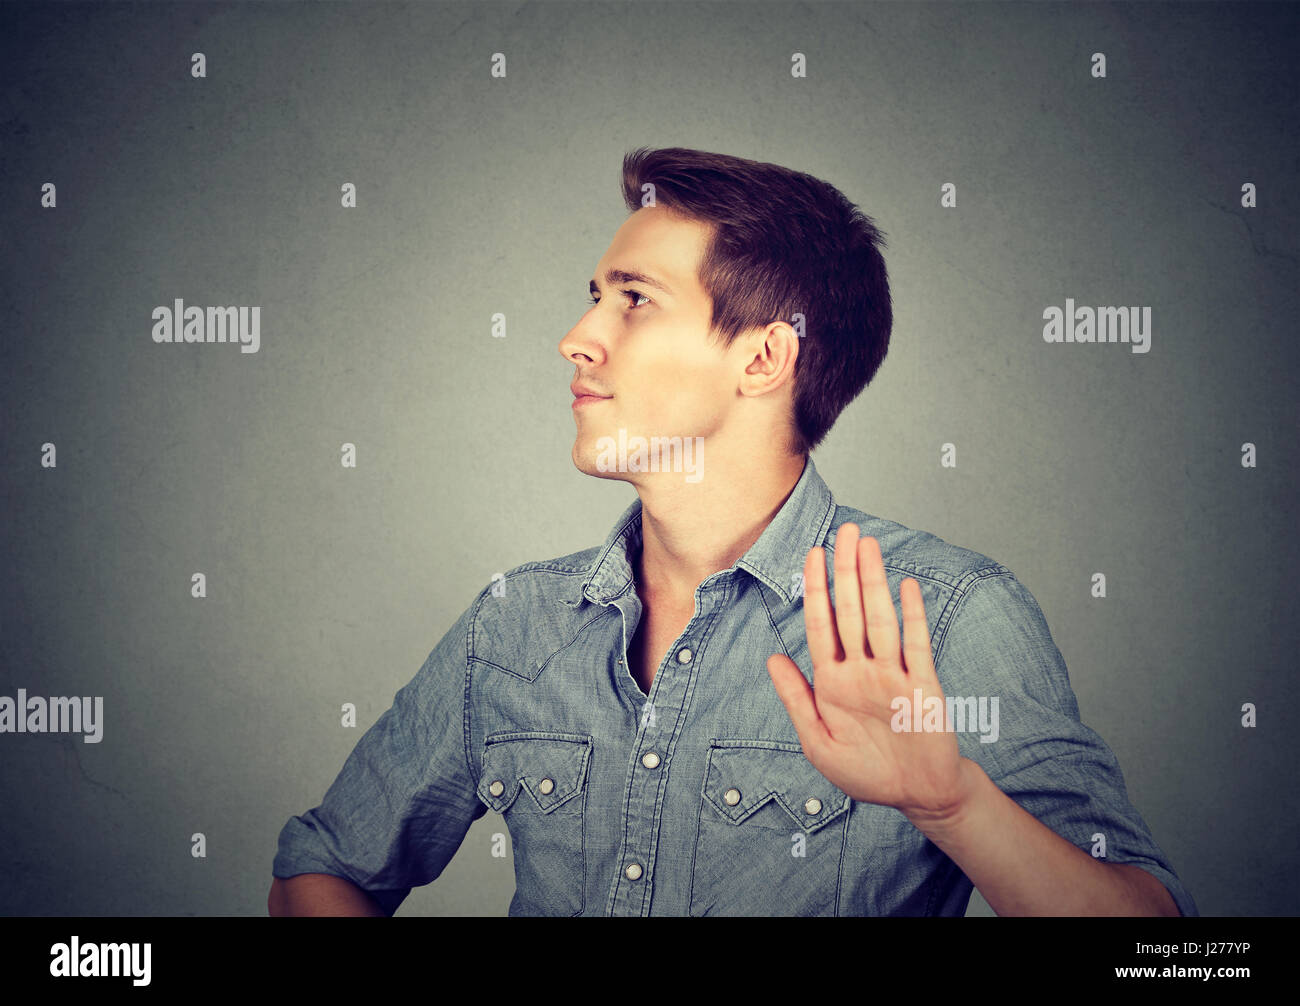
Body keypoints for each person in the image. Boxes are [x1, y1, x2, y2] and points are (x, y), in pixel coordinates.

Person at [268, 147, 1196, 917]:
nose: (577, 337)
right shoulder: (516, 624)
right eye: (595, 295)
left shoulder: (944, 621)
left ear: (763, 356)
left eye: (633, 299)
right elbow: (322, 868)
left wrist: (950, 803)